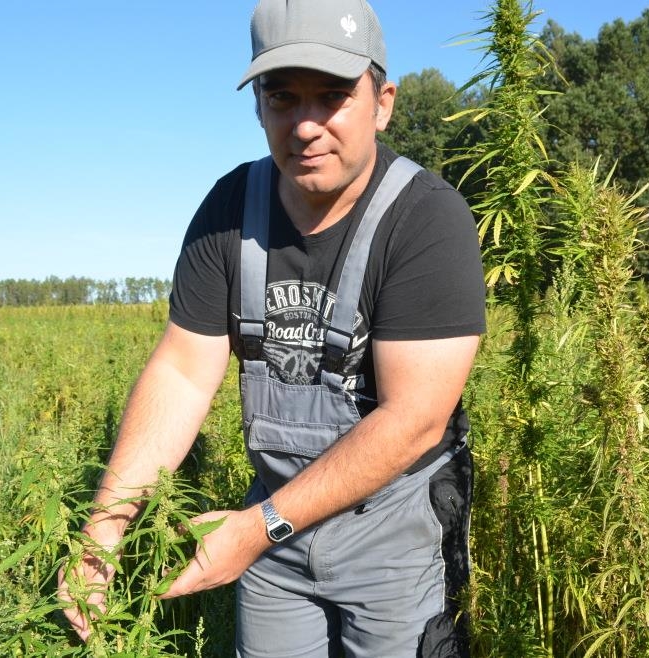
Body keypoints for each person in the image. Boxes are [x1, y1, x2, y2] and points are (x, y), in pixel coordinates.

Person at [57, 0, 486, 654]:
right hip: (274, 540)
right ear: (258, 106)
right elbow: (181, 373)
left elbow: (414, 420)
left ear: (382, 104)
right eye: (282, 97)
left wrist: (255, 530)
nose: (306, 125)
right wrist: (105, 530)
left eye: (333, 96)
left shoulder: (427, 218)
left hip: (397, 542)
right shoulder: (230, 210)